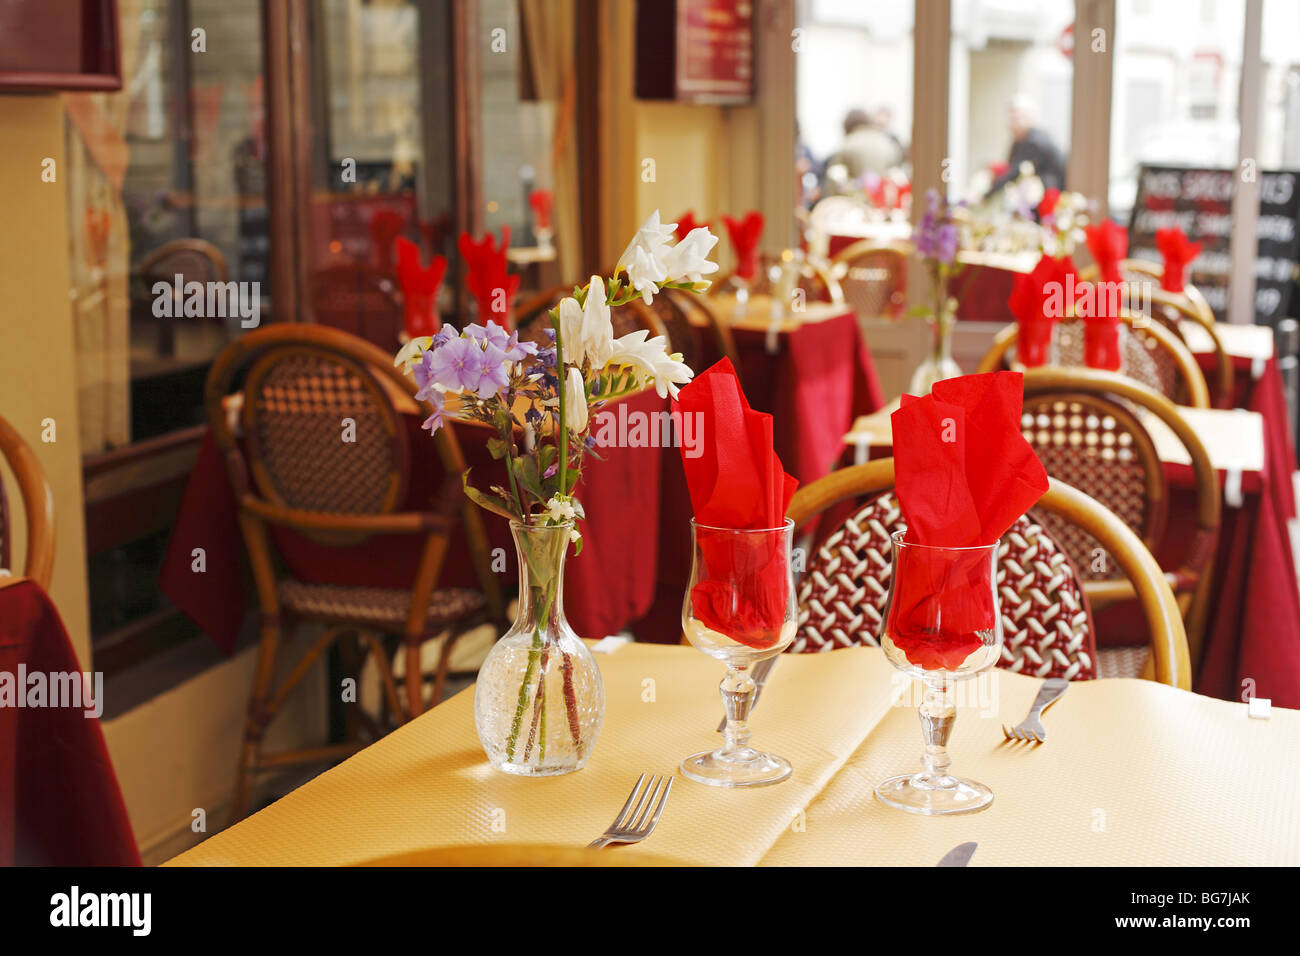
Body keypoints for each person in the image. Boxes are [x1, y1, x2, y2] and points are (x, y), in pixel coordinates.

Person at [986, 95, 1067, 198]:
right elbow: (1009, 167)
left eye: (1015, 119)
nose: (1011, 124)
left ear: (1029, 118)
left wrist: (986, 195)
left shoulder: (1035, 141)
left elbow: (1014, 173)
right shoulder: (1021, 140)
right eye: (1010, 119)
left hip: (1048, 196)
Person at [827, 108, 904, 181]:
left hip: (856, 193)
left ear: (847, 126)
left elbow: (834, 176)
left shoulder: (849, 143)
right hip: (884, 192)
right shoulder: (887, 142)